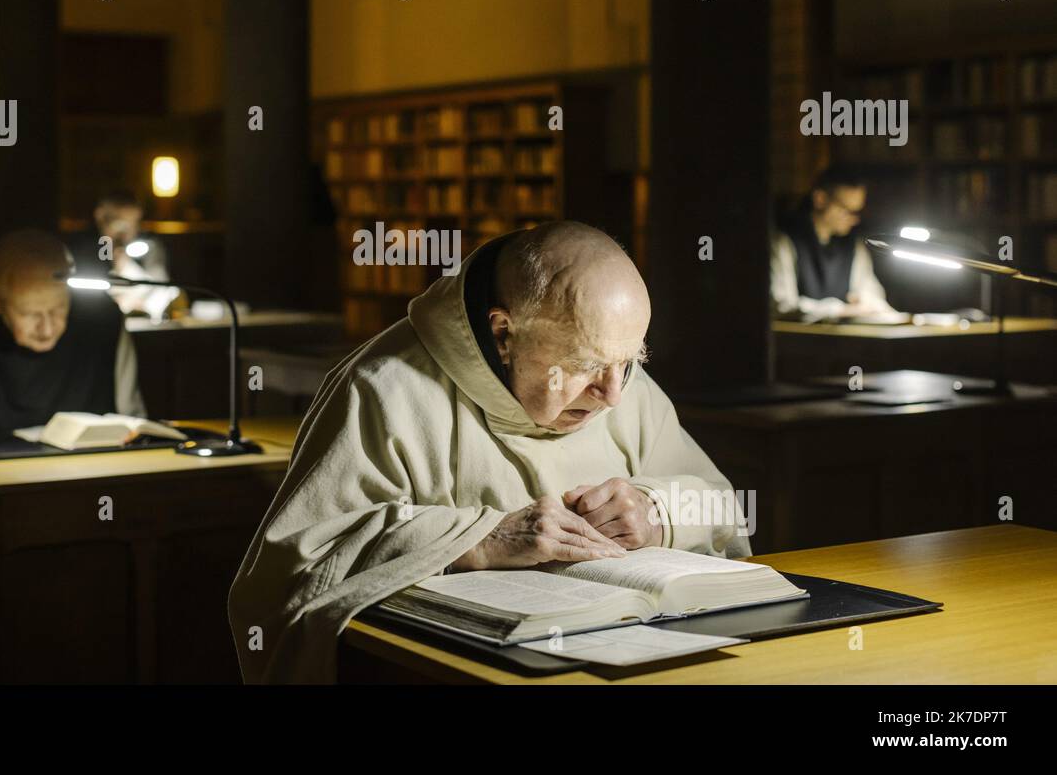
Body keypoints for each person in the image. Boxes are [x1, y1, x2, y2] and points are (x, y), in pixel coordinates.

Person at [228, 221, 750, 683]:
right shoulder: (383, 389)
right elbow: (292, 578)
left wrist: (658, 511)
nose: (613, 395)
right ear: (503, 335)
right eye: (585, 364)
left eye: (631, 360)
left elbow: (725, 508)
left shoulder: (623, 387)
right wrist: (480, 539)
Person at [0, 228, 145, 441]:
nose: (47, 329)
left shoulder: (104, 324)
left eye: (58, 309)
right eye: (30, 314)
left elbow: (134, 425)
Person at [769, 165, 896, 320]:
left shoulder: (853, 247)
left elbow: (871, 297)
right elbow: (781, 304)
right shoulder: (784, 241)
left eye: (857, 211)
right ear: (820, 199)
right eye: (846, 209)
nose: (854, 219)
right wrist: (838, 310)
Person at [73, 190, 178, 319]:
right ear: (100, 217)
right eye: (119, 223)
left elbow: (161, 291)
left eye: (133, 224)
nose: (125, 232)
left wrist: (126, 264)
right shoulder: (83, 250)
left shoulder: (149, 246)